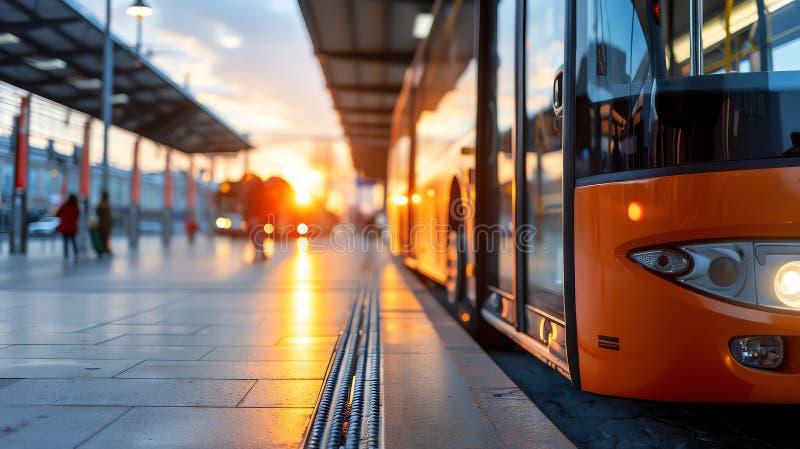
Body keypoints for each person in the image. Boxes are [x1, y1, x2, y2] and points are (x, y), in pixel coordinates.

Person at [55, 194, 80, 260]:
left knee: (65, 241)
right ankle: (76, 254)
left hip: (65, 227)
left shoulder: (64, 206)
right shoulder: (76, 207)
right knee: (73, 241)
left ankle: (66, 255)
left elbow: (57, 214)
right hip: (72, 227)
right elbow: (77, 216)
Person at [96, 191, 113, 256]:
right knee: (104, 238)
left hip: (105, 224)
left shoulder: (103, 203)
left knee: (105, 238)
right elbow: (98, 211)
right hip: (104, 224)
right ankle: (104, 250)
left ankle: (105, 250)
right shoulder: (103, 204)